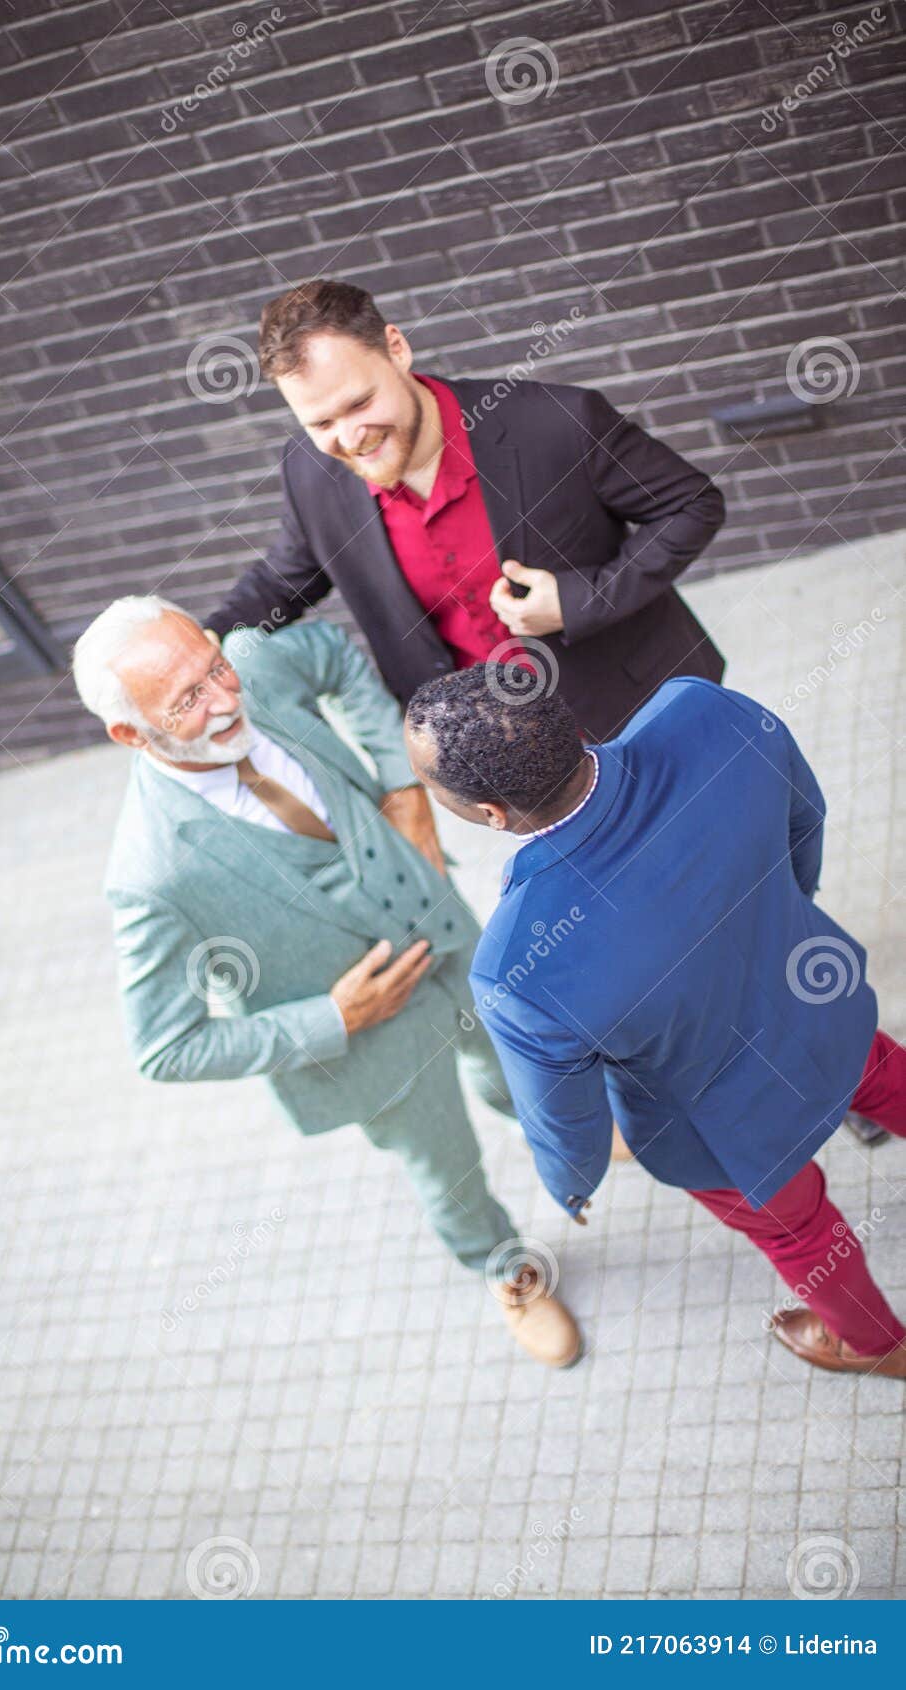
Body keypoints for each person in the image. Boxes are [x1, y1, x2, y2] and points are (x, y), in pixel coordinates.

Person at [71, 596, 581, 1367]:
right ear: (127, 733)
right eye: (187, 699)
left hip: (438, 921)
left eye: (213, 665)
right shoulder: (151, 875)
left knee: (505, 1047)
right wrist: (334, 1017)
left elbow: (338, 658)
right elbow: (164, 1048)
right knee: (446, 1169)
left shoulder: (253, 664)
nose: (225, 696)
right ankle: (503, 1266)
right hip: (374, 1046)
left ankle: (548, 1125)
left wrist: (402, 787)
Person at [402, 663, 906, 1378]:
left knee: (798, 1231)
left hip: (718, 1125)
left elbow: (563, 1115)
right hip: (817, 1001)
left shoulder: (516, 963)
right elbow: (803, 819)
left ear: (489, 814)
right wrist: (782, 917)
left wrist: (571, 1184)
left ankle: (874, 1344)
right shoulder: (702, 713)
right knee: (883, 1075)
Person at [203, 277, 727, 743]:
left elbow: (691, 504)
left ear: (396, 348)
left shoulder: (557, 421)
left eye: (360, 404)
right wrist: (203, 641)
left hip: (646, 715)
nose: (350, 438)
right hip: (497, 760)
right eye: (321, 424)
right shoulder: (308, 472)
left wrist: (580, 600)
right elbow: (287, 577)